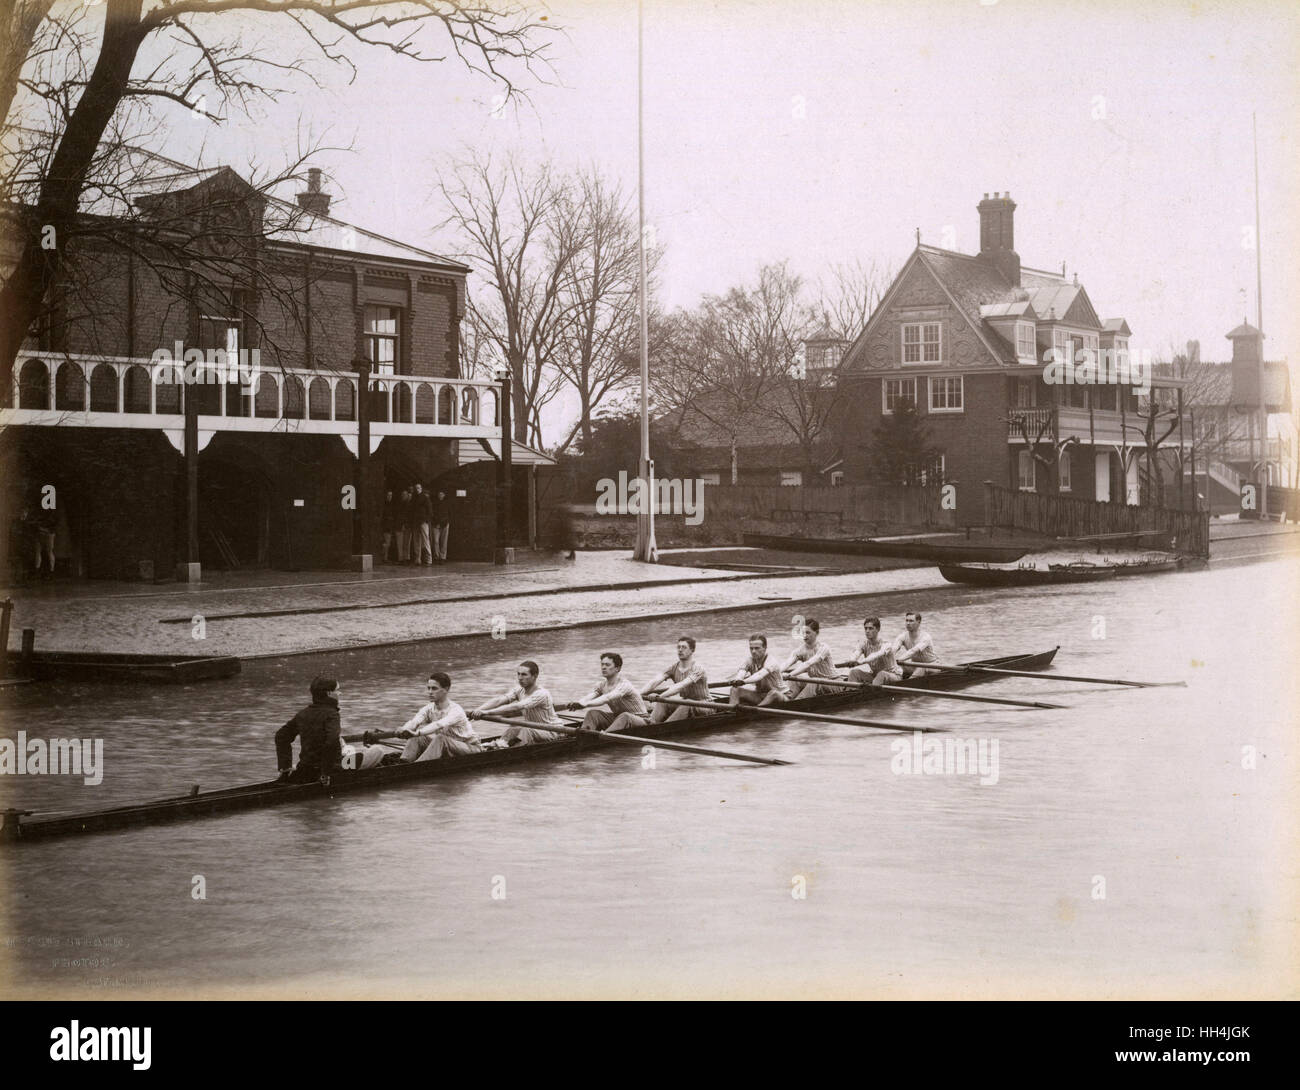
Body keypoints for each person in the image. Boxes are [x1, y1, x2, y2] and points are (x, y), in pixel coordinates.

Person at [470, 661, 564, 747]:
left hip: (553, 731)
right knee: (513, 729)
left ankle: (506, 749)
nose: (520, 678)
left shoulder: (542, 693)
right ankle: (497, 746)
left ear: (534, 676)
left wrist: (487, 712)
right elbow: (499, 700)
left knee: (526, 731)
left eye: (524, 674)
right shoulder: (519, 689)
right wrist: (478, 710)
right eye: (518, 674)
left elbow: (516, 706)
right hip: (534, 729)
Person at [396, 672, 482, 761]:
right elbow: (415, 722)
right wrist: (404, 729)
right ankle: (404, 761)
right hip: (449, 746)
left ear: (446, 689)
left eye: (434, 688)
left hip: (471, 748)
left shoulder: (456, 710)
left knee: (440, 739)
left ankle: (417, 766)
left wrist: (418, 732)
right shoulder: (428, 708)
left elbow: (438, 725)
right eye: (428, 688)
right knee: (416, 738)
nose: (430, 692)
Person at [275, 675, 344, 783]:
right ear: (329, 693)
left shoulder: (303, 714)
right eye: (338, 690)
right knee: (377, 751)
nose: (340, 694)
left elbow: (281, 736)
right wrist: (325, 773)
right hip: (333, 770)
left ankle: (285, 771)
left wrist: (285, 768)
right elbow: (331, 742)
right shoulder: (332, 714)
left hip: (305, 769)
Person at [564, 652, 649, 733]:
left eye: (607, 665)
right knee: (592, 713)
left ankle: (602, 737)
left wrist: (585, 704)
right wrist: (579, 703)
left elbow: (607, 698)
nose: (603, 667)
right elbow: (589, 697)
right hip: (618, 719)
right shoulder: (601, 685)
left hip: (641, 721)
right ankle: (584, 735)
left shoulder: (624, 685)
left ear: (617, 668)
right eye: (602, 664)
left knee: (625, 716)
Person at [641, 636, 712, 722]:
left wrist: (659, 696)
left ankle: (665, 727)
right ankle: (651, 723)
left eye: (684, 647)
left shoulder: (698, 668)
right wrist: (638, 695)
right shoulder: (673, 668)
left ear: (692, 650)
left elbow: (680, 686)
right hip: (685, 703)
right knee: (663, 702)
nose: (680, 650)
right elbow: (654, 682)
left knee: (686, 704)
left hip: (706, 706)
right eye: (678, 647)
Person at [780, 617, 839, 698]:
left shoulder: (824, 647)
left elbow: (808, 664)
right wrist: (778, 673)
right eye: (803, 633)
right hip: (817, 682)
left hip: (834, 683)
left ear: (816, 633)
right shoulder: (800, 650)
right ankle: (787, 699)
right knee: (794, 680)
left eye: (808, 632)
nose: (804, 635)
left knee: (813, 682)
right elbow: (787, 663)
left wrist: (789, 674)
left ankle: (796, 702)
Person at [727, 633, 788, 707]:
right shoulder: (749, 660)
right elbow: (741, 672)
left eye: (757, 648)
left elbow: (759, 675)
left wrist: (743, 681)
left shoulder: (771, 661)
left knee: (773, 693)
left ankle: (754, 712)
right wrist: (737, 680)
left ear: (765, 648)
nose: (753, 651)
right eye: (751, 648)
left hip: (780, 696)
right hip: (761, 696)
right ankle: (731, 712)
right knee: (735, 689)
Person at [846, 616, 903, 687]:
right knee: (854, 672)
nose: (867, 631)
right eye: (865, 628)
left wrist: (862, 661)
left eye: (870, 628)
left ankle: (869, 693)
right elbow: (856, 653)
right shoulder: (863, 644)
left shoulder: (886, 644)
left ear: (878, 629)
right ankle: (850, 692)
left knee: (881, 674)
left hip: (893, 676)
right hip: (875, 676)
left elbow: (876, 655)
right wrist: (852, 660)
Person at [894, 611, 939, 678]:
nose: (908, 623)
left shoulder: (925, 637)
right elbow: (894, 648)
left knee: (922, 668)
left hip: (932, 665)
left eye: (911, 621)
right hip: (915, 665)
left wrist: (899, 659)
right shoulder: (902, 636)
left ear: (918, 622)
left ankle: (907, 685)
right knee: (896, 666)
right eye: (906, 620)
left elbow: (913, 651)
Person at [33, 502, 56, 579]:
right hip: (46, 532)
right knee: (45, 552)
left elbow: (52, 524)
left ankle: (47, 571)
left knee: (45, 552)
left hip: (47, 532)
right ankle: (47, 571)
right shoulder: (49, 511)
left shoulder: (47, 512)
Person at [413, 483, 433, 565]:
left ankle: (429, 559)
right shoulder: (414, 498)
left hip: (423, 521)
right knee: (417, 541)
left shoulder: (425, 498)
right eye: (416, 488)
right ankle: (418, 559)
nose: (417, 489)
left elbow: (430, 510)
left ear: (421, 489)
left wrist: (427, 520)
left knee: (425, 540)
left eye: (418, 488)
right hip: (416, 522)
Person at [432, 488, 451, 563]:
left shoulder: (447, 503)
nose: (440, 495)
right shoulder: (435, 503)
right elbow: (433, 514)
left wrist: (444, 523)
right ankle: (437, 556)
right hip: (436, 524)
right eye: (439, 494)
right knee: (436, 541)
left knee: (444, 541)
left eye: (442, 494)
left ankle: (442, 557)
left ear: (444, 495)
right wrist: (437, 523)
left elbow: (449, 514)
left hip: (445, 524)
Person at [397, 487, 413, 564]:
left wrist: (405, 524)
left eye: (405, 494)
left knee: (406, 543)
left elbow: (408, 516)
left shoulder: (408, 505)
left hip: (406, 525)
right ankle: (403, 558)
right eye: (402, 494)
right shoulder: (400, 504)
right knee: (402, 543)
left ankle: (406, 558)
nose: (404, 496)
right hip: (401, 525)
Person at [380, 489, 397, 563]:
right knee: (386, 543)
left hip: (390, 527)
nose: (390, 496)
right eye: (388, 495)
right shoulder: (384, 505)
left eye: (391, 495)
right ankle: (384, 558)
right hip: (386, 527)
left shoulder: (392, 505)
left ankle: (385, 557)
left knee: (388, 543)